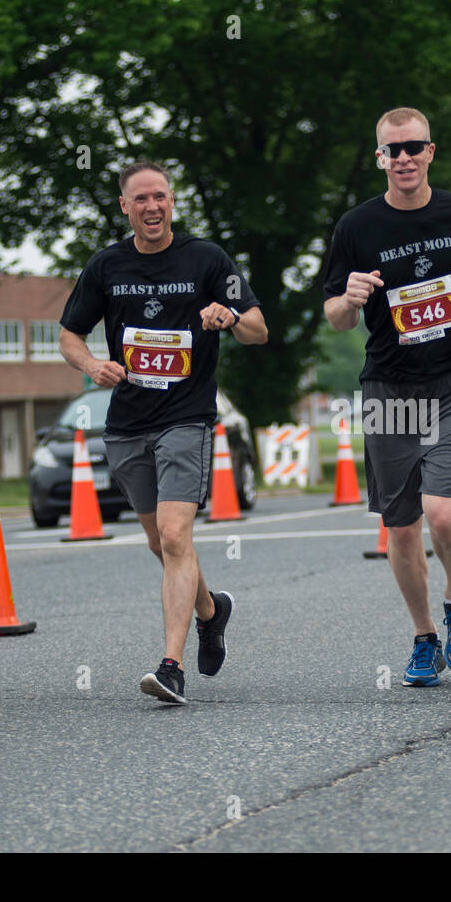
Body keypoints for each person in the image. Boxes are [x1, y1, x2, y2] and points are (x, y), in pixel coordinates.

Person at [59, 161, 267, 706]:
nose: (152, 207)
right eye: (140, 199)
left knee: (176, 537)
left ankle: (171, 667)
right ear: (125, 207)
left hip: (187, 417)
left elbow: (258, 330)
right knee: (159, 542)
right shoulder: (107, 266)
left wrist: (229, 317)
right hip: (127, 424)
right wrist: (92, 365)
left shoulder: (207, 260)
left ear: (172, 201)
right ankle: (210, 610)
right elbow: (68, 335)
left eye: (160, 197)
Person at [323, 107, 451, 687]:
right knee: (400, 527)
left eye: (413, 147)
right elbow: (336, 320)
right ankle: (425, 636)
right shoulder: (356, 227)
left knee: (443, 512)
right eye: (392, 150)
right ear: (380, 158)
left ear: (430, 152)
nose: (403, 158)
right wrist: (348, 299)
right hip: (389, 385)